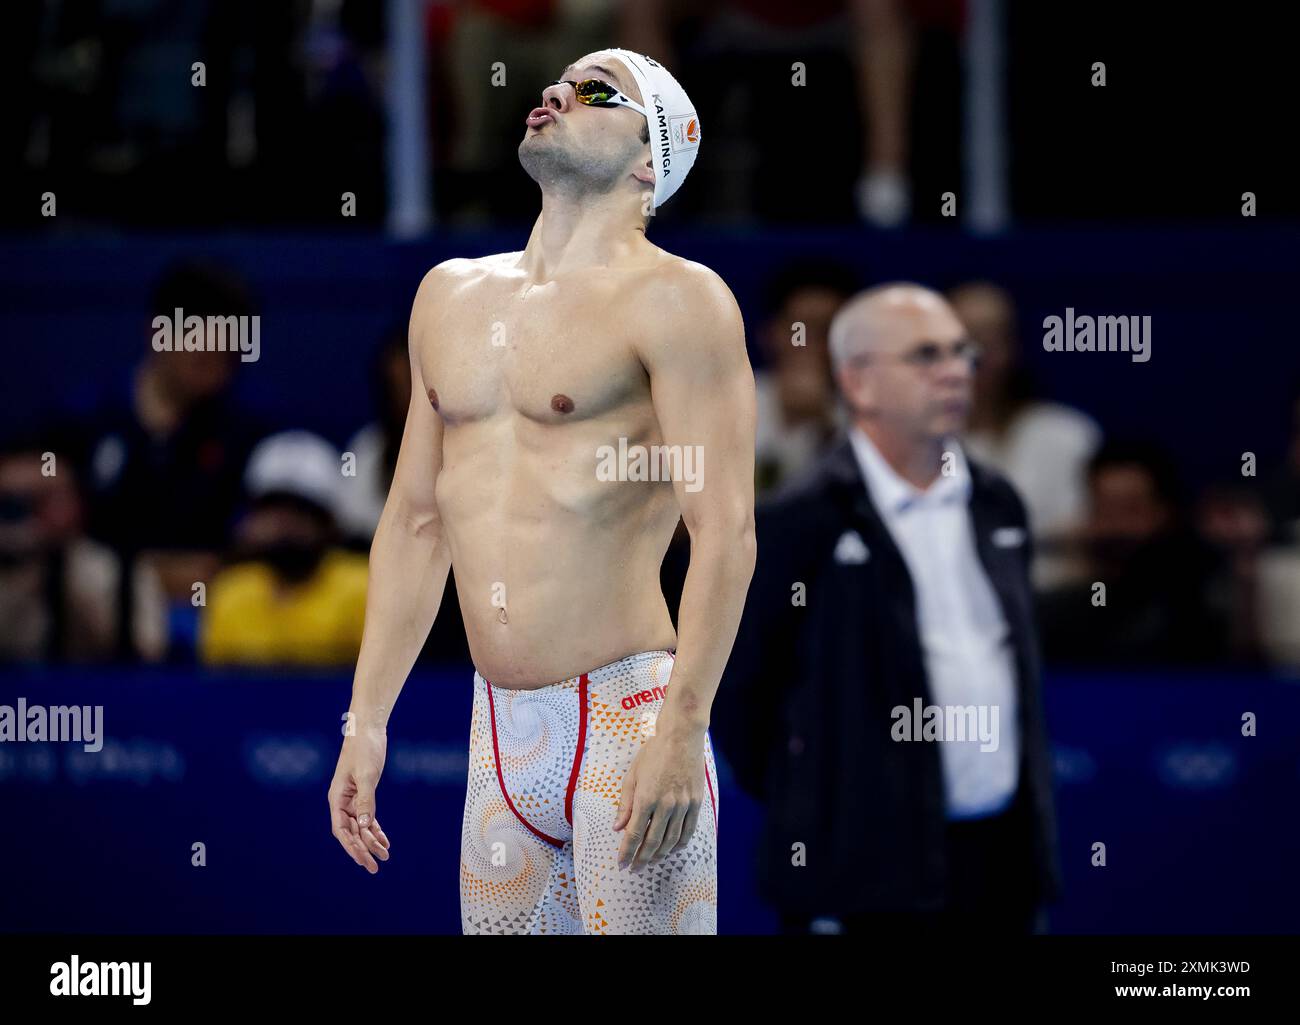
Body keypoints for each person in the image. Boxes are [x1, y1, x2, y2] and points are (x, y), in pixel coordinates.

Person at [327, 49, 756, 935]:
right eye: (559, 81)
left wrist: (683, 729)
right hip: (498, 736)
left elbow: (725, 530)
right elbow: (414, 523)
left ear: (655, 157)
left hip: (630, 724)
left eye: (599, 91)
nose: (558, 91)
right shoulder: (447, 294)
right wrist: (365, 719)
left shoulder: (681, 301)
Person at [717, 283, 1060, 934]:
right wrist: (819, 802)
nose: (957, 369)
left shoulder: (999, 504)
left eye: (963, 352)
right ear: (860, 381)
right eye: (926, 354)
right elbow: (742, 694)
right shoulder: (798, 523)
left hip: (999, 864)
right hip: (859, 868)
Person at [948, 281, 1100, 588]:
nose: (979, 354)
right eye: (965, 339)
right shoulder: (903, 443)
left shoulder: (1066, 435)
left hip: (1050, 613)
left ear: (1013, 345)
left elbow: (1089, 549)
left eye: (993, 336)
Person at [200, 431, 369, 667]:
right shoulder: (231, 593)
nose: (284, 524)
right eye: (273, 509)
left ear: (328, 522)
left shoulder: (365, 588)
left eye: (300, 511)